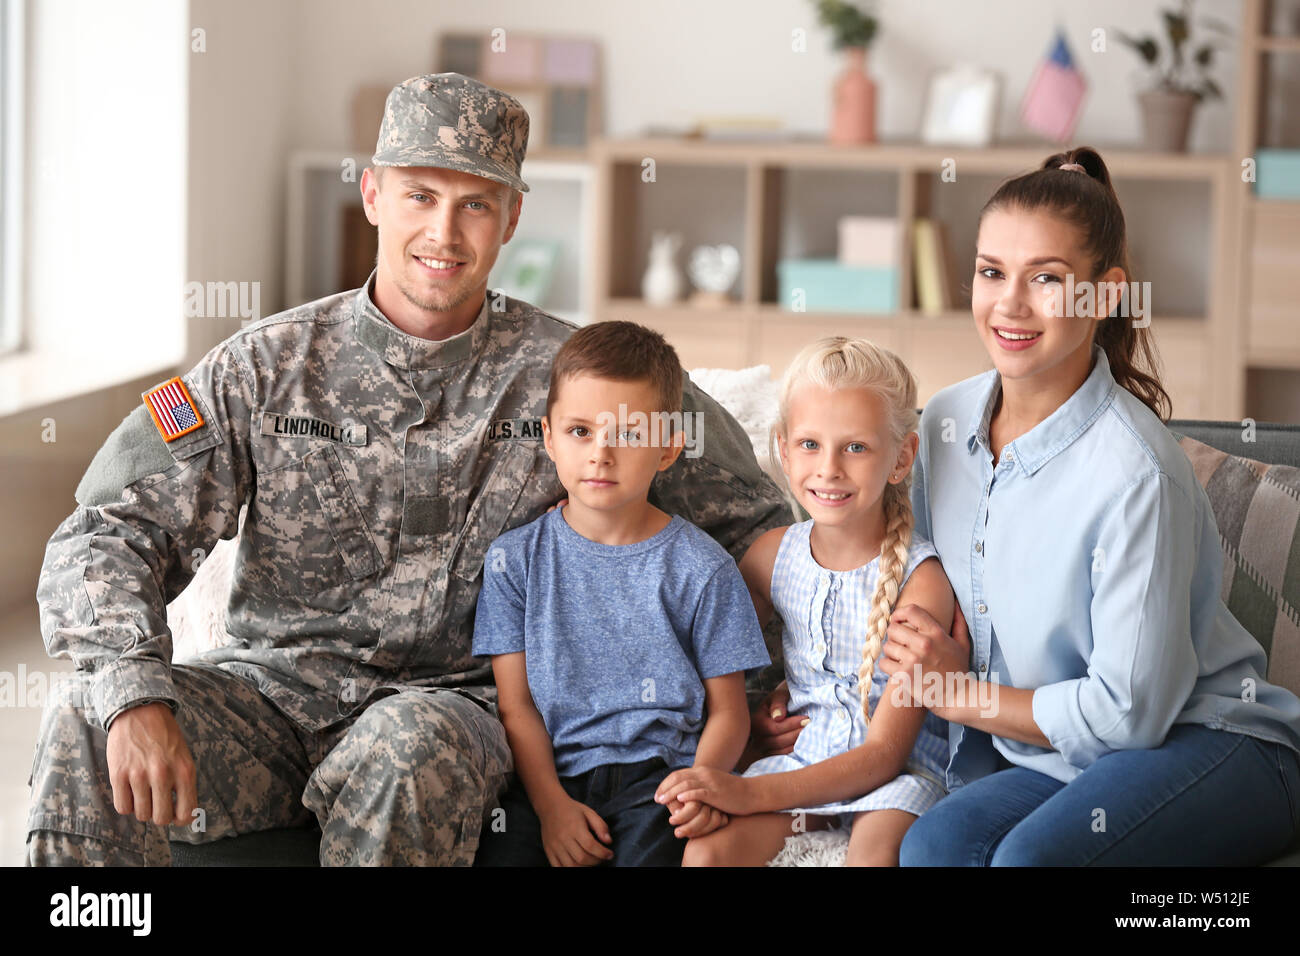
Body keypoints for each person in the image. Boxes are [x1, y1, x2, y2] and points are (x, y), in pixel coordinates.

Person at [26, 73, 792, 866]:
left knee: (405, 746)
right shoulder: (265, 366)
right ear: (373, 194)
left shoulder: (576, 376)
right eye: (420, 196)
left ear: (512, 220)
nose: (445, 233)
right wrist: (133, 685)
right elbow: (105, 530)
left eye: (476, 205)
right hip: (272, 699)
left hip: (449, 714)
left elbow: (764, 533)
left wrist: (770, 693)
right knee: (88, 713)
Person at [886, 146, 1300, 865]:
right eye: (991, 273)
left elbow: (1128, 714)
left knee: (1027, 863)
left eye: (1047, 279)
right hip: (1063, 757)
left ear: (1104, 294)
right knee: (933, 848)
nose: (1010, 305)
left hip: (1212, 742)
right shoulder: (943, 425)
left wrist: (960, 695)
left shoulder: (1137, 473)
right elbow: (918, 595)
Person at [471, 321, 771, 867]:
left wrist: (702, 785)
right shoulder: (513, 561)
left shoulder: (704, 568)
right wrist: (552, 807)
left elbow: (729, 712)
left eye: (629, 434)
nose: (601, 454)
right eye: (580, 431)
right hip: (547, 780)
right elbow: (516, 706)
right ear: (549, 436)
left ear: (668, 448)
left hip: (657, 784)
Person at [654, 337, 955, 866]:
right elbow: (714, 665)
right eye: (811, 445)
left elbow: (882, 756)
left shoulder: (921, 580)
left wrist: (743, 791)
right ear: (784, 450)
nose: (830, 468)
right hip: (802, 758)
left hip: (896, 775)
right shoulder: (770, 558)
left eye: (856, 447)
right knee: (705, 854)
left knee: (875, 853)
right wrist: (755, 717)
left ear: (901, 457)